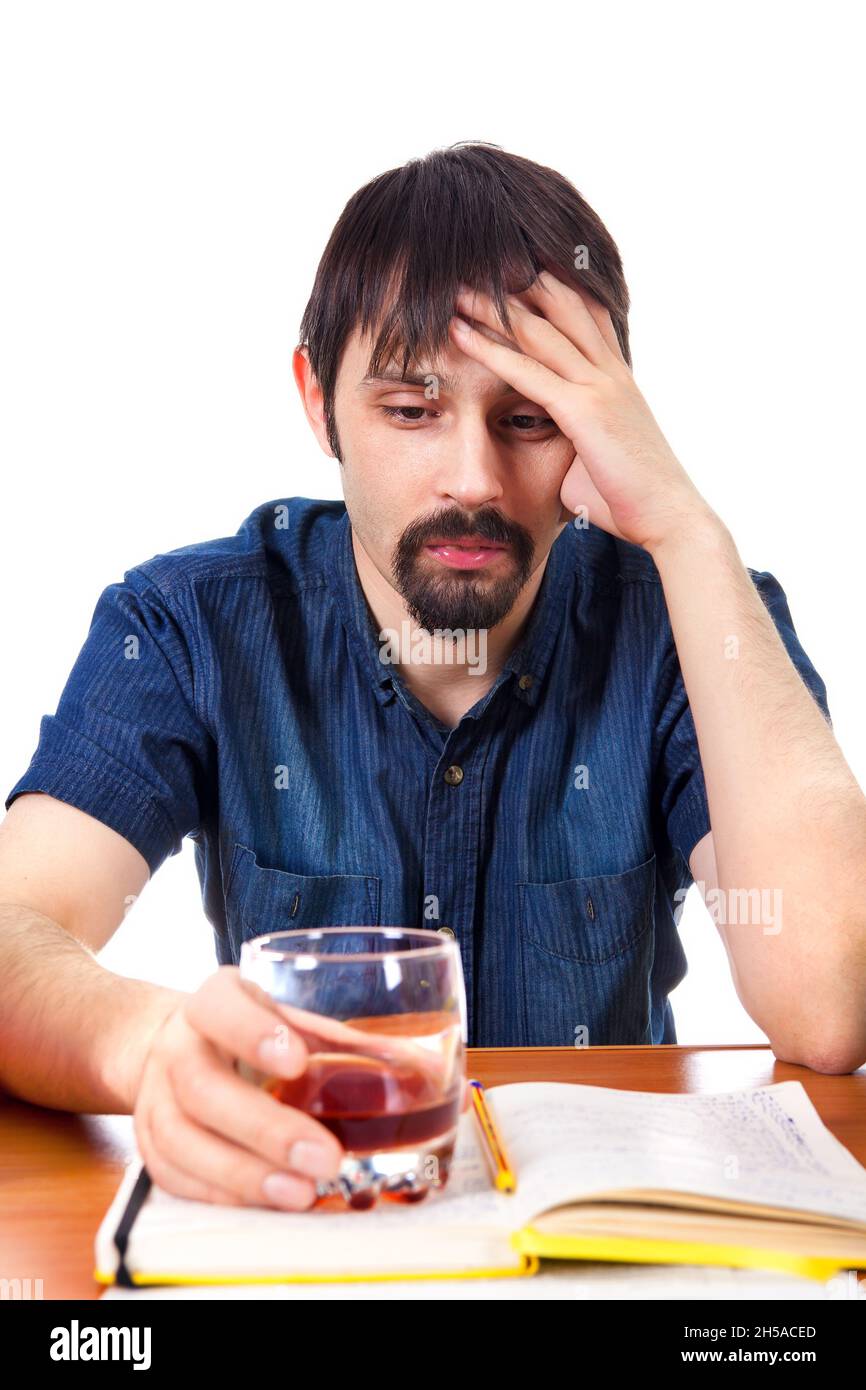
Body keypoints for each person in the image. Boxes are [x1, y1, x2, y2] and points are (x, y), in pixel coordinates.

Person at [2, 142, 864, 1214]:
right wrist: (142, 1043)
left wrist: (684, 528)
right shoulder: (187, 625)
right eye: (410, 411)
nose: (473, 479)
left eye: (529, 417)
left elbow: (828, 1003)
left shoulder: (690, 617)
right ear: (317, 402)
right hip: (319, 1224)